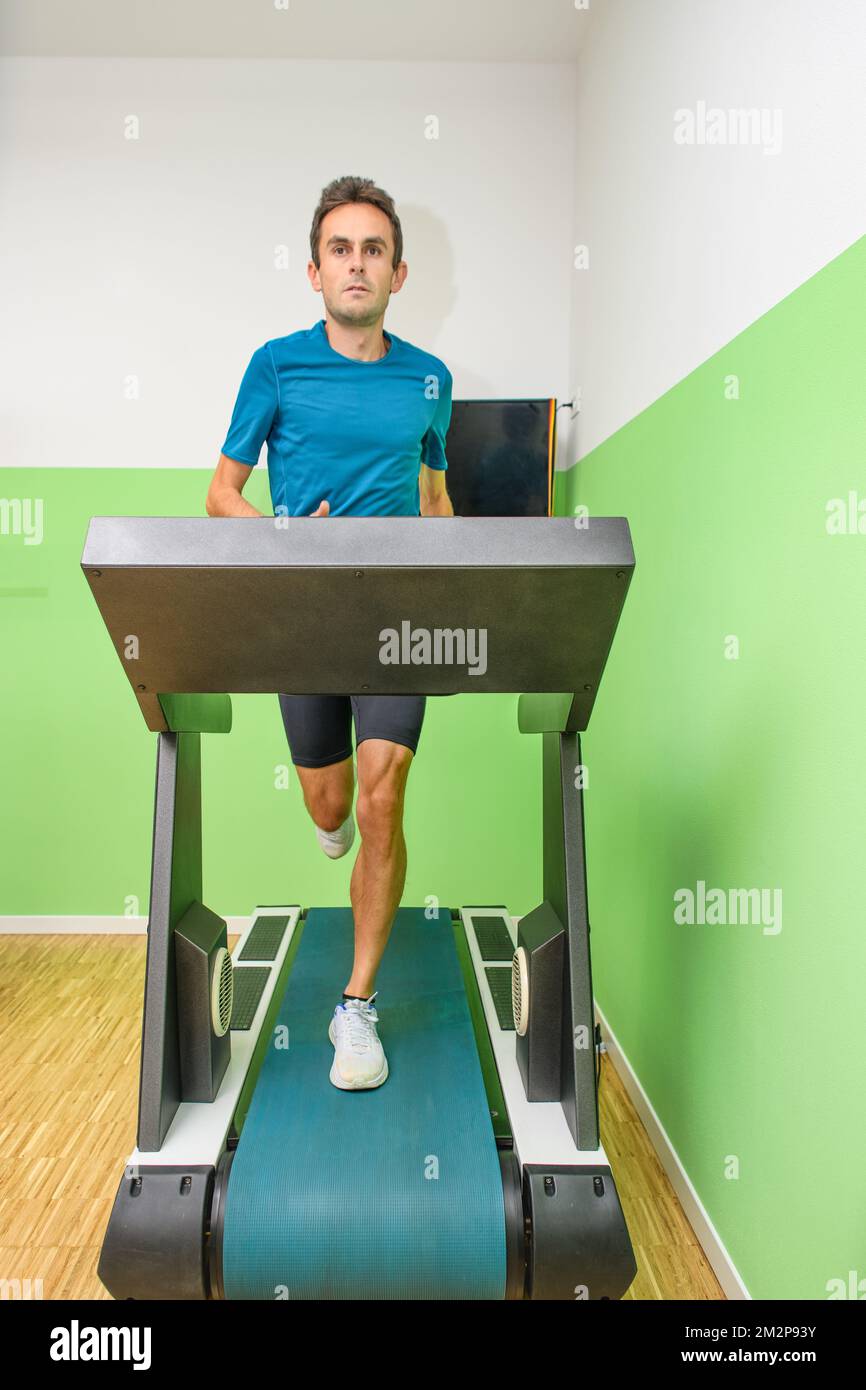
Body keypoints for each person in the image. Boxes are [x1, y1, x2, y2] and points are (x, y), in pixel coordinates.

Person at [206, 175, 454, 1093]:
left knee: (387, 793)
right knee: (333, 807)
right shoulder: (275, 365)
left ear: (399, 270)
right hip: (303, 613)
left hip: (400, 617)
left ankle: (356, 1007)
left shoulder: (431, 379)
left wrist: (458, 584)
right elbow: (222, 494)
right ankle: (329, 819)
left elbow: (435, 499)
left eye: (374, 249)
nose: (358, 264)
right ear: (316, 272)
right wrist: (276, 538)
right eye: (341, 250)